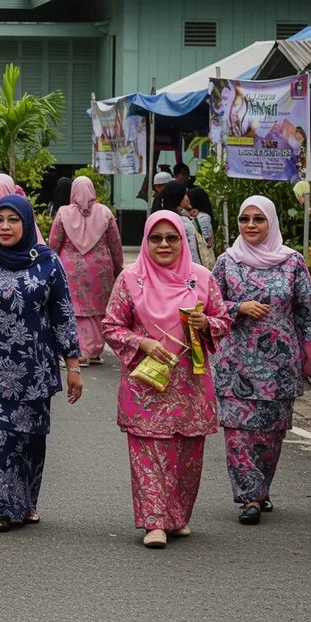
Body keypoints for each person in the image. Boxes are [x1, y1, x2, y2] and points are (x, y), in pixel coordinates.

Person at [0, 194, 83, 532]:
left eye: (13, 219)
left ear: (26, 223)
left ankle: (24, 503)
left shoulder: (48, 263)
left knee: (29, 440)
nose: (5, 226)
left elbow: (63, 314)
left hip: (34, 369)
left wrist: (74, 366)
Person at [103, 211, 230, 548]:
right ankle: (154, 521)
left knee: (188, 455)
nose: (163, 244)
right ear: (146, 241)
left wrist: (207, 324)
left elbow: (223, 321)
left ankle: (176, 517)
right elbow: (112, 326)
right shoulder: (130, 279)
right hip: (146, 385)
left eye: (171, 238)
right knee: (148, 454)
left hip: (190, 384)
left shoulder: (202, 278)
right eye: (155, 238)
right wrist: (141, 342)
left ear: (181, 241)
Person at [212, 196, 311, 525]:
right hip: (235, 364)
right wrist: (237, 308)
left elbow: (306, 312)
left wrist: (308, 353)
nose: (251, 225)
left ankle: (261, 488)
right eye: (244, 219)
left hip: (279, 365)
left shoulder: (292, 262)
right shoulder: (227, 262)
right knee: (238, 432)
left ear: (271, 223)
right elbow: (206, 306)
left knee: (270, 435)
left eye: (258, 219)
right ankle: (249, 497)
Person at [49, 176, 124, 365]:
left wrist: (50, 263)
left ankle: (80, 350)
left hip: (70, 269)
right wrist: (118, 265)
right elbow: (115, 243)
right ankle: (95, 350)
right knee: (98, 308)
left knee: (75, 308)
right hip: (100, 268)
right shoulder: (105, 213)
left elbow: (54, 242)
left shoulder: (63, 213)